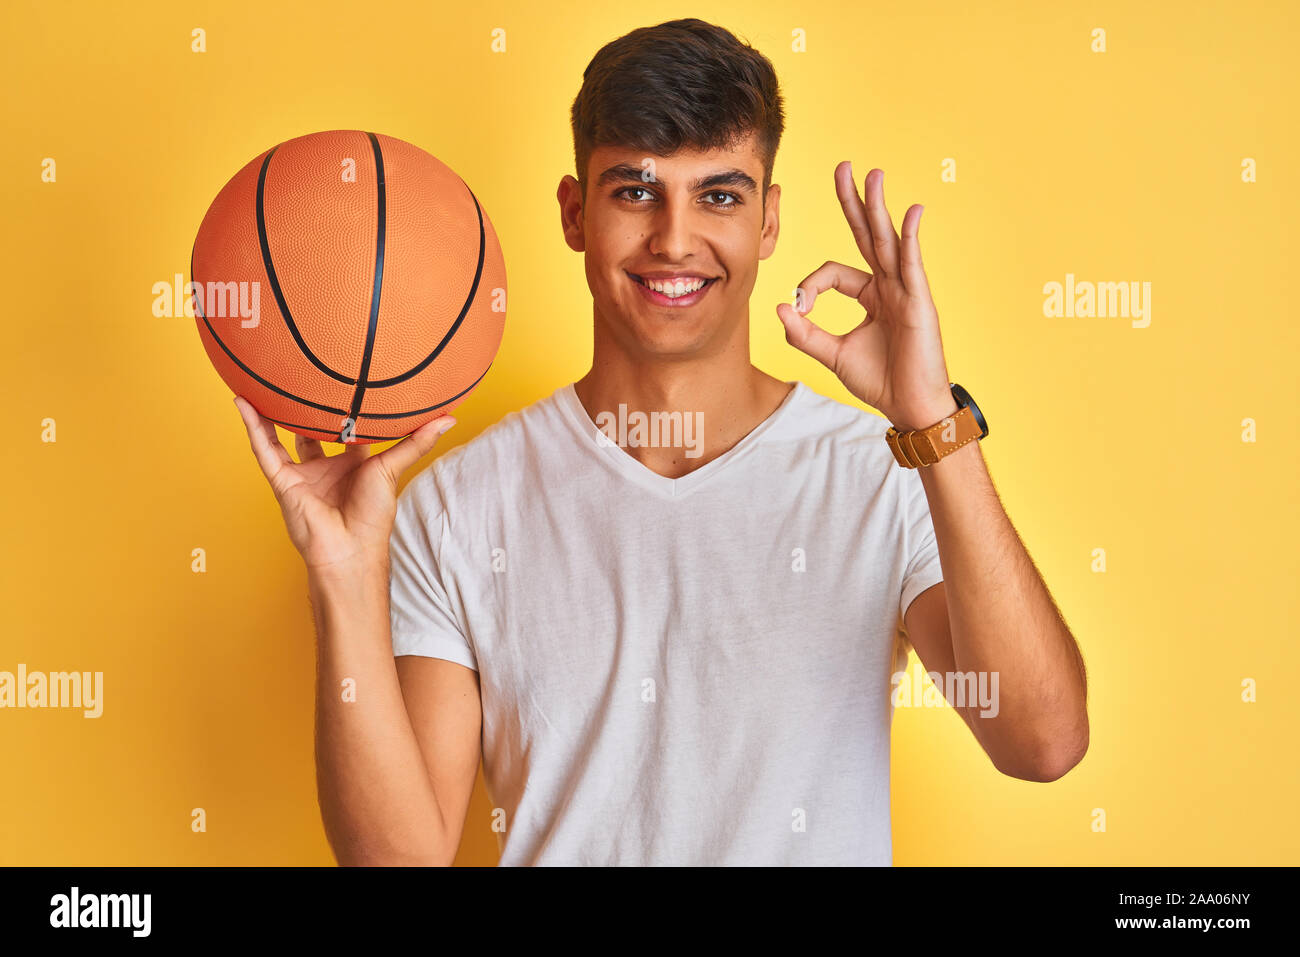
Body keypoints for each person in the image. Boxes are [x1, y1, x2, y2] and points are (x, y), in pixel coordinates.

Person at [234, 18, 1088, 866]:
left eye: (719, 194)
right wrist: (344, 576)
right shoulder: (457, 504)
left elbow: (1042, 741)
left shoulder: (887, 471)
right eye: (634, 191)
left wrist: (936, 420)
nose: (675, 239)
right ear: (574, 214)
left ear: (767, 222)